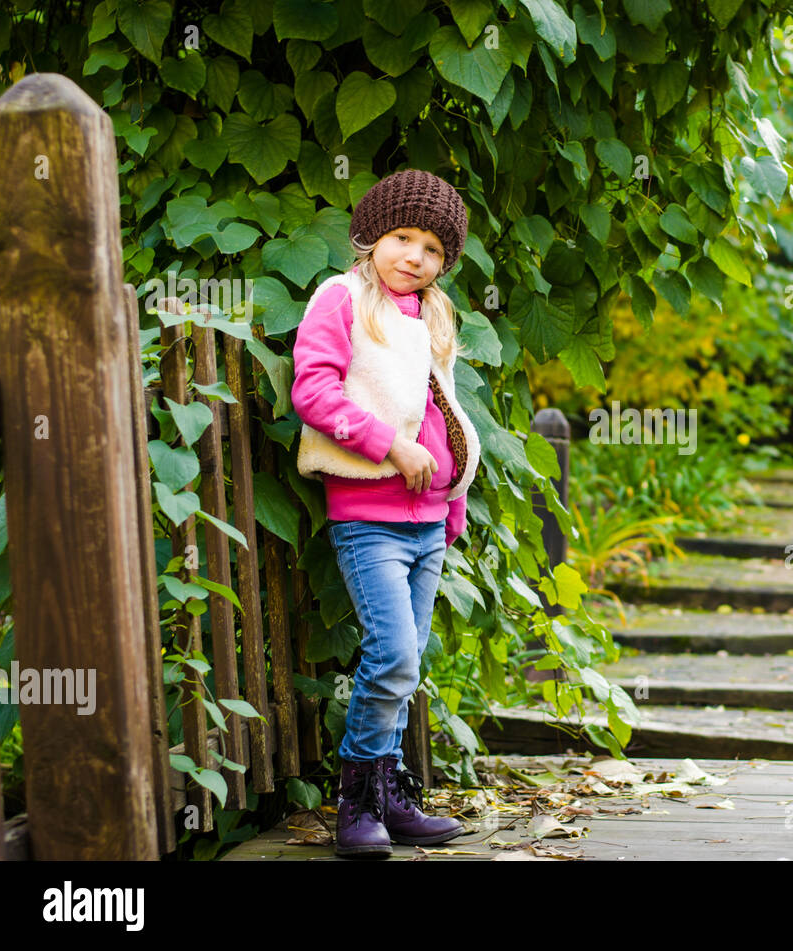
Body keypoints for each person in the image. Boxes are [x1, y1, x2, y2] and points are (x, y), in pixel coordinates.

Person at [290, 168, 480, 858]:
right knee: (393, 652)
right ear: (371, 235)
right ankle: (357, 801)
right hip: (369, 514)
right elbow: (312, 390)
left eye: (432, 248)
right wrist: (386, 445)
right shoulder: (342, 298)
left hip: (429, 520)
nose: (415, 257)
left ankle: (390, 792)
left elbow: (440, 417)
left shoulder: (429, 314)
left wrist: (451, 506)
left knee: (409, 661)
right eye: (403, 237)